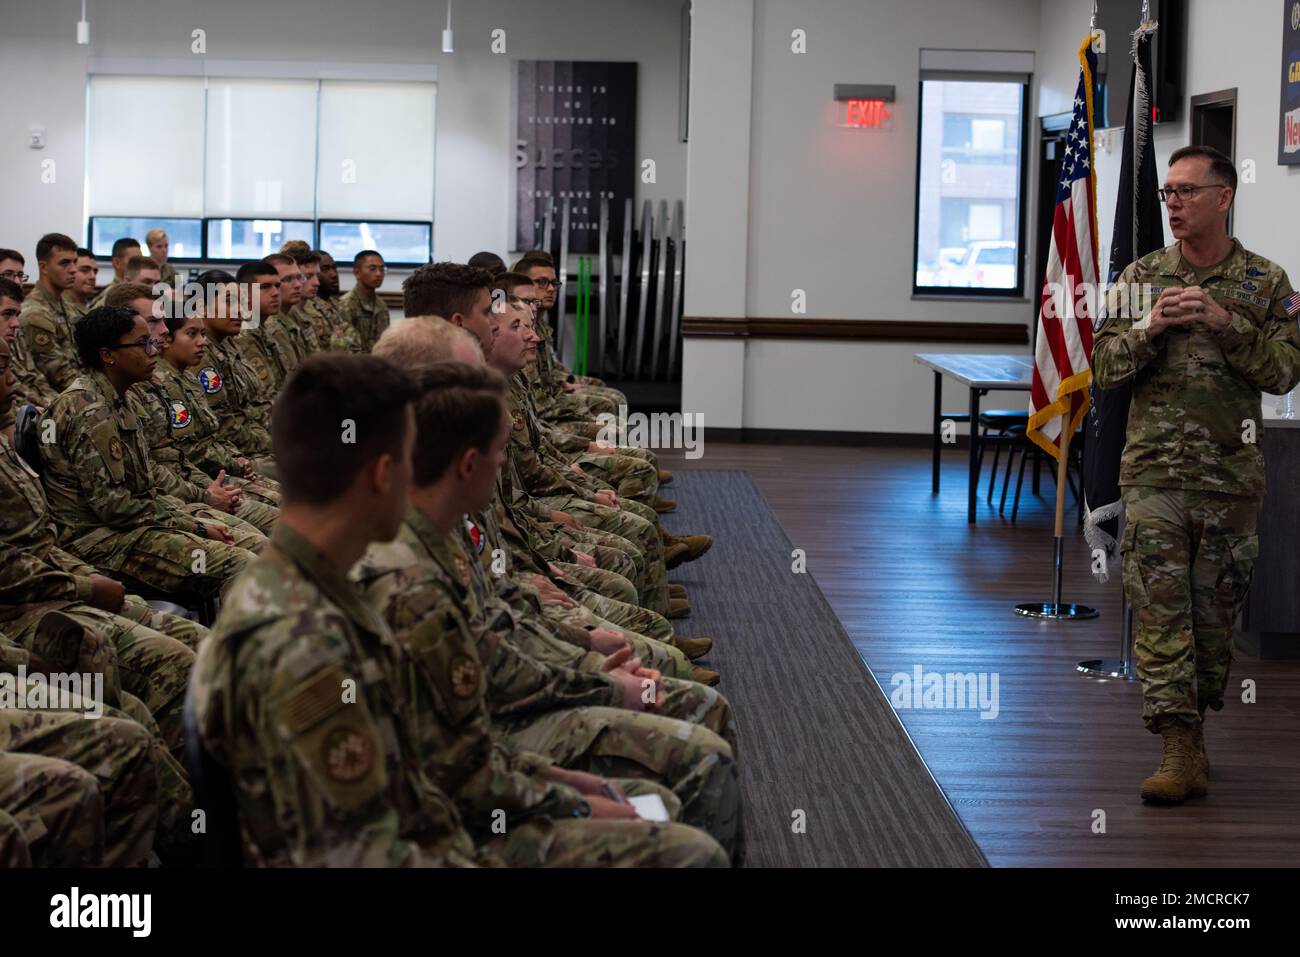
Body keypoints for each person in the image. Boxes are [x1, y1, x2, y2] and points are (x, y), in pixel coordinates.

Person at [1094, 144, 1300, 804]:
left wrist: (1227, 325)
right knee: (1159, 614)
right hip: (1152, 475)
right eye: (1168, 193)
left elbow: (1284, 372)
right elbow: (1102, 369)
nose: (1174, 203)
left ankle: (1196, 729)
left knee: (1213, 624)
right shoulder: (1142, 275)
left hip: (1228, 480)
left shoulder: (1267, 284)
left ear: (1224, 197)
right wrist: (1149, 328)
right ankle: (1175, 744)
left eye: (1186, 191)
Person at [39, 306, 259, 597]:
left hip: (134, 526)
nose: (155, 348)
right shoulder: (89, 410)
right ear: (108, 355)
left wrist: (192, 518)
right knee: (244, 564)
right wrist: (194, 526)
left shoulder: (122, 396)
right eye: (143, 343)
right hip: (101, 542)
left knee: (254, 547)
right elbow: (116, 508)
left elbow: (144, 487)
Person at [14, 232, 79, 407]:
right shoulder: (34, 313)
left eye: (75, 262)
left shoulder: (66, 304)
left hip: (74, 392)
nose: (73, 269)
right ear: (43, 267)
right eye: (64, 263)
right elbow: (57, 372)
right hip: (57, 399)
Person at [338, 249, 389, 350]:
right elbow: (348, 348)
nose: (379, 274)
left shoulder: (381, 304)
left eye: (382, 269)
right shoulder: (345, 305)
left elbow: (386, 342)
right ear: (357, 272)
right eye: (372, 269)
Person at [88, 237, 142, 310]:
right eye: (133, 261)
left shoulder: (134, 289)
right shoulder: (112, 294)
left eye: (140, 260)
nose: (140, 265)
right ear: (117, 263)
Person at [65, 248, 98, 317]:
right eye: (84, 270)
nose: (93, 277)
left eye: (95, 272)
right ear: (70, 271)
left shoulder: (92, 306)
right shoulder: (61, 308)